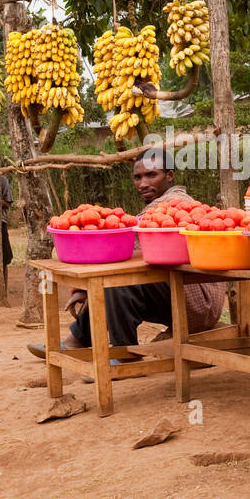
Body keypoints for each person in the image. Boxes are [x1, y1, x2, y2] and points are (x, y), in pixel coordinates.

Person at [27, 149, 226, 376]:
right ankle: (78, 339)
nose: (143, 183)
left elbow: (128, 256)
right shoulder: (156, 206)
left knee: (117, 281)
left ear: (170, 175)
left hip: (197, 300)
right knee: (115, 279)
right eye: (137, 177)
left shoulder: (173, 205)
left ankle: (123, 354)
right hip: (176, 288)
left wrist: (83, 288)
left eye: (151, 175)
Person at [0, 173, 13, 291]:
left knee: (4, 258)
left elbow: (8, 203)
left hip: (0, 222)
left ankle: (3, 290)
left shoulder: (2, 180)